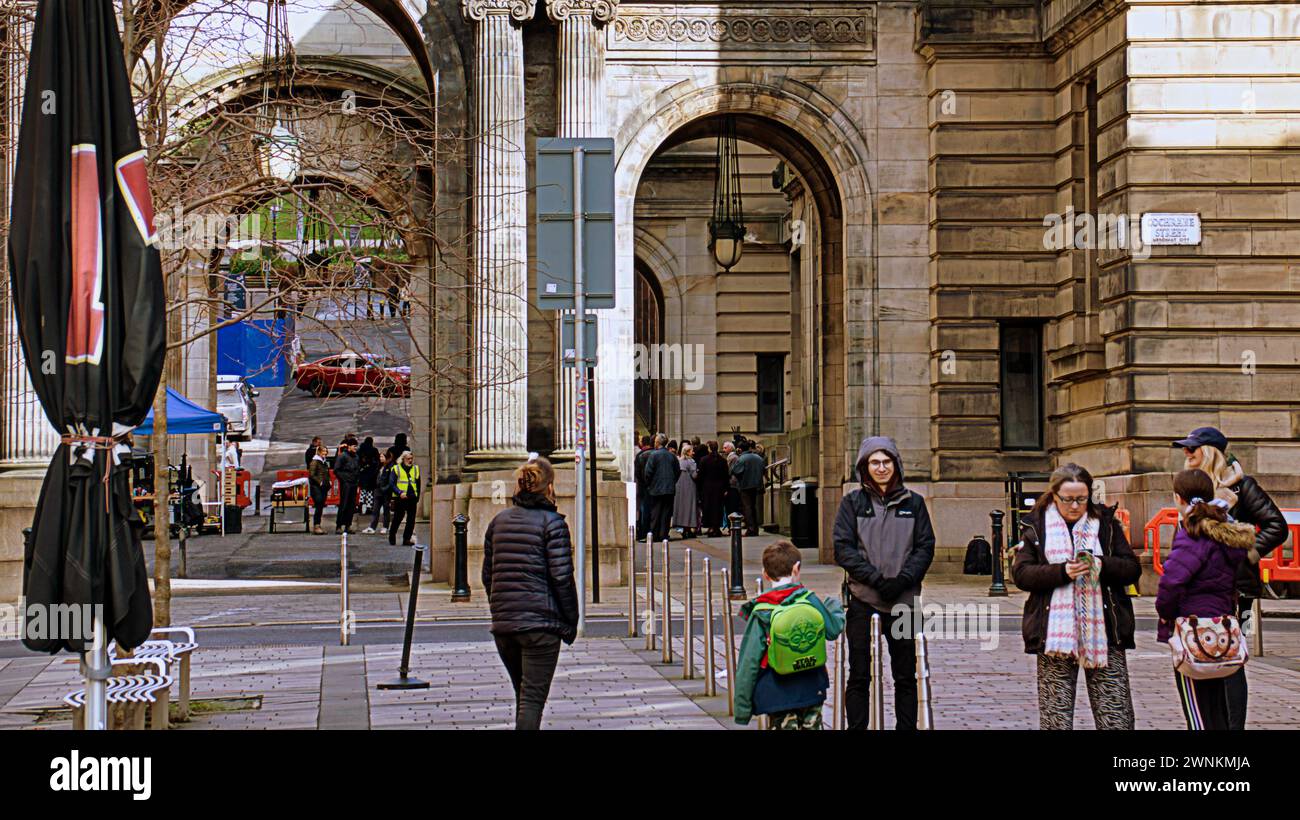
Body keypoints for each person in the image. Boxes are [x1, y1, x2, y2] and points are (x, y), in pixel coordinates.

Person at [1011, 462, 1141, 730]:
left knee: (1116, 718)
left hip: (1104, 632)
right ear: (1054, 496)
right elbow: (1022, 574)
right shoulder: (1037, 527)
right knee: (1055, 719)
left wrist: (1101, 564)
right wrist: (1062, 572)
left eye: (1081, 499)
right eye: (1068, 499)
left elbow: (1131, 568)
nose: (1074, 506)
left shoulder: (1105, 524)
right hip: (1055, 635)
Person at [1173, 426, 1286, 730]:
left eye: (1192, 448)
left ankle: (1233, 727)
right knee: (1199, 652)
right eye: (1185, 448)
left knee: (1232, 657)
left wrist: (1245, 553)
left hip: (1239, 590)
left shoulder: (1241, 486)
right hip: (1200, 592)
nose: (1186, 453)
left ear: (1210, 451)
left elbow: (1277, 525)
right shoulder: (1193, 487)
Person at [833, 436, 935, 730]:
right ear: (865, 466)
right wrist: (875, 578)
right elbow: (844, 548)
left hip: (903, 600)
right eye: (875, 462)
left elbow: (925, 546)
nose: (881, 468)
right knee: (860, 673)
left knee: (905, 674)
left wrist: (904, 579)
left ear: (896, 464)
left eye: (886, 461)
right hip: (864, 598)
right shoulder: (852, 503)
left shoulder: (913, 503)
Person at [482, 457, 579, 730]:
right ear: (549, 487)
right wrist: (571, 620)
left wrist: (501, 609)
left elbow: (487, 575)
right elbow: (562, 577)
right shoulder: (553, 524)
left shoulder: (498, 521)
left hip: (505, 626)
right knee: (532, 700)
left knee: (523, 696)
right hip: (540, 627)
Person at [1157, 468, 1256, 731]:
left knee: (1197, 710)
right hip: (1221, 624)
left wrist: (1165, 614)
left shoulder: (1192, 534)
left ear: (1178, 497)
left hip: (1193, 629)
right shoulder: (1225, 533)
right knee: (1217, 705)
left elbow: (1172, 582)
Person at [735, 540, 845, 729]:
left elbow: (749, 662)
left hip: (777, 692)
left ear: (765, 574)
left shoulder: (762, 611)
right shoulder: (809, 600)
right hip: (812, 687)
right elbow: (833, 629)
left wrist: (742, 709)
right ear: (797, 569)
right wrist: (834, 605)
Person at [643, 434, 680, 543]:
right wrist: (672, 482)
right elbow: (677, 472)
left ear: (657, 443)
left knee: (656, 512)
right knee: (666, 513)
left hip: (656, 488)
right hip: (669, 488)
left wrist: (649, 484)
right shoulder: (672, 456)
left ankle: (655, 534)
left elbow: (648, 472)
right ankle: (663, 534)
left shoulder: (654, 455)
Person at [730, 439, 765, 536]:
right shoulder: (758, 458)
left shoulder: (741, 459)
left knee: (747, 507)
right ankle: (755, 528)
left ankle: (751, 529)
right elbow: (763, 470)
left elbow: (736, 471)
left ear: (740, 449)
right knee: (753, 507)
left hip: (745, 485)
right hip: (757, 485)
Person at [696, 440, 729, 538]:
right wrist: (726, 488)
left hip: (707, 488)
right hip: (719, 488)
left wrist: (699, 487)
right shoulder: (722, 460)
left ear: (709, 448)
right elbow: (726, 476)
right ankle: (716, 527)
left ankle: (711, 527)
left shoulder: (704, 460)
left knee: (708, 507)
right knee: (718, 508)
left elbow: (700, 476)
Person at [389, 450, 420, 546]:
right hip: (401, 497)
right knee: (398, 517)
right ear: (403, 459)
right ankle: (392, 535)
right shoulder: (396, 468)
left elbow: (418, 483)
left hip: (412, 497)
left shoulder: (415, 468)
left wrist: (417, 496)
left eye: (411, 459)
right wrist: (399, 492)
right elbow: (392, 483)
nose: (410, 461)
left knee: (411, 519)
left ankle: (406, 539)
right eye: (408, 459)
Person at [333, 438, 360, 534]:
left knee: (352, 505)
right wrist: (344, 479)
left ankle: (348, 525)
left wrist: (357, 480)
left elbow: (357, 469)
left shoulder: (356, 457)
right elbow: (336, 470)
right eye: (354, 446)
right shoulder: (342, 456)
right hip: (346, 484)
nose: (356, 448)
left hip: (353, 483)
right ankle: (339, 525)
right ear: (349, 446)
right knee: (344, 504)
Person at [673, 443, 700, 538]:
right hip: (689, 486)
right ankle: (688, 528)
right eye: (691, 451)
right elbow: (694, 476)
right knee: (689, 507)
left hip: (679, 486)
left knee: (682, 507)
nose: (693, 452)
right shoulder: (691, 462)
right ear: (688, 452)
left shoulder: (679, 461)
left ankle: (684, 529)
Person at [364, 450, 394, 535]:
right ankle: (372, 526)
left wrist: (385, 488)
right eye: (380, 456)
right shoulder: (379, 466)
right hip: (377, 490)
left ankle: (385, 526)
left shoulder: (390, 467)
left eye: (382, 457)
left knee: (386, 510)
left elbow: (391, 481)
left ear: (387, 457)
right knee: (375, 509)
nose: (380, 458)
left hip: (385, 491)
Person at [634, 435, 654, 540]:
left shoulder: (640, 455)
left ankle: (643, 531)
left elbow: (637, 472)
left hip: (643, 486)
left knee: (643, 510)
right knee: (653, 509)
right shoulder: (654, 454)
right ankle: (652, 531)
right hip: (653, 486)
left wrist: (642, 482)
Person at [308, 445, 331, 535]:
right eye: (323, 451)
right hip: (316, 487)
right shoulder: (315, 462)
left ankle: (318, 525)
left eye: (326, 451)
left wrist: (328, 481)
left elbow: (326, 473)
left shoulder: (323, 462)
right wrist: (320, 482)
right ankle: (316, 526)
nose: (325, 453)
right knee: (318, 505)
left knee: (320, 506)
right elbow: (312, 474)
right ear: (319, 452)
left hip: (323, 487)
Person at [358, 436, 380, 517]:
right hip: (371, 474)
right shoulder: (374, 450)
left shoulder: (360, 450)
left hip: (362, 474)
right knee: (370, 492)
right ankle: (369, 507)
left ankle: (360, 506)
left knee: (363, 491)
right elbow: (377, 462)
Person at [722, 440, 740, 527]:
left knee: (732, 506)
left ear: (730, 448)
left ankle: (732, 526)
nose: (723, 449)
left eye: (725, 448)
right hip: (730, 484)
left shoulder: (733, 457)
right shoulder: (730, 457)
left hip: (732, 484)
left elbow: (729, 471)